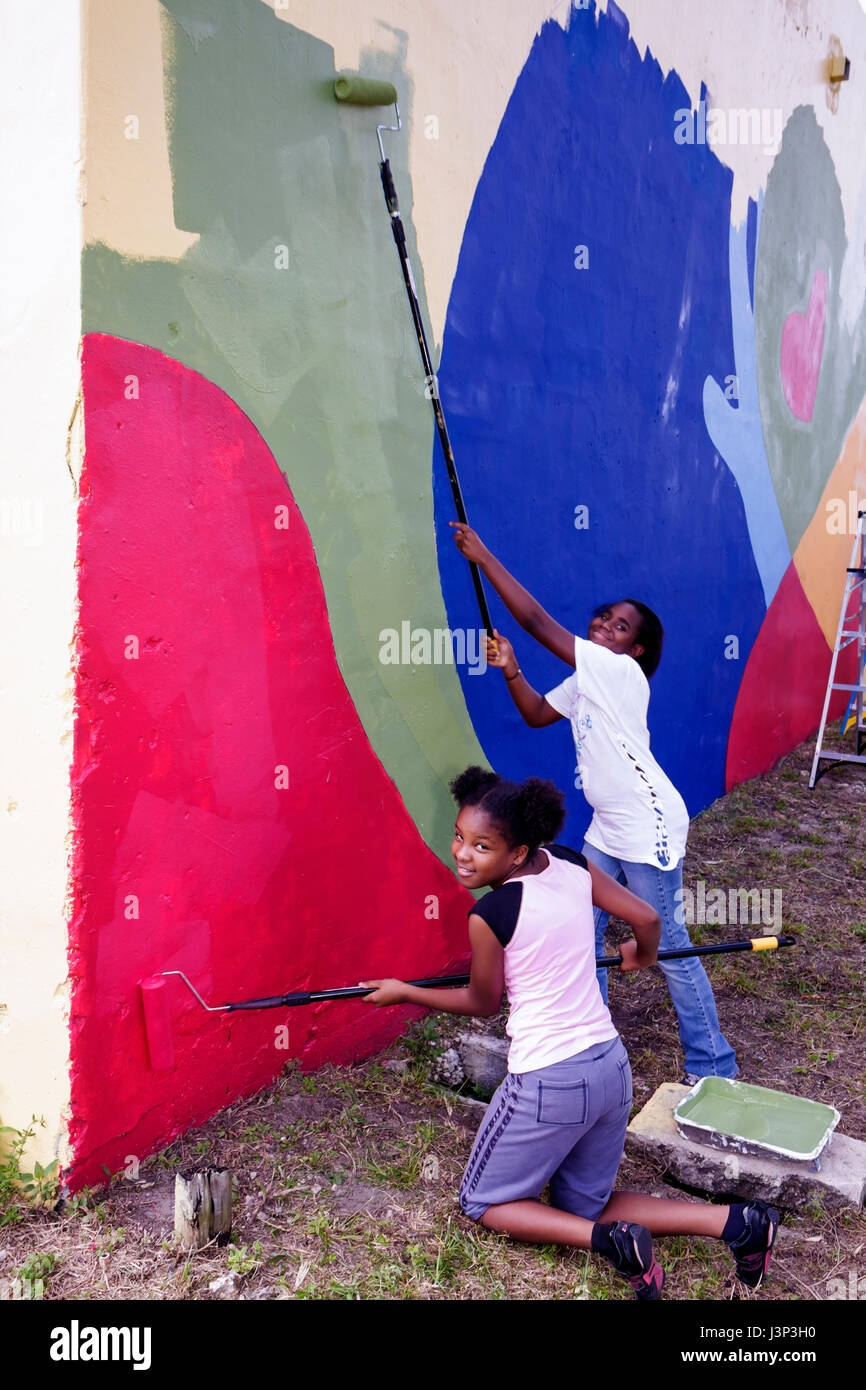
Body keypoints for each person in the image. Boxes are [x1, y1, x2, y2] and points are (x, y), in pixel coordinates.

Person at [362, 768, 777, 1299]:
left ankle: (612, 1244)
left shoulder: (489, 914)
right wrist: (640, 956)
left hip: (548, 1079)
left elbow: (482, 1001)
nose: (463, 854)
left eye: (483, 846)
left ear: (516, 853)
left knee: (482, 1202)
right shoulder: (570, 862)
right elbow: (647, 918)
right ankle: (737, 1223)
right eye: (461, 837)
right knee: (581, 1204)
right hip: (609, 1067)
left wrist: (405, 992)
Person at [448, 522, 736, 1084]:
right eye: (602, 617)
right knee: (585, 921)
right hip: (608, 823)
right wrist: (511, 670)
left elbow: (534, 622)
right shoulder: (587, 678)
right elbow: (535, 713)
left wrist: (485, 557)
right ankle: (591, 1042)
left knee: (667, 938)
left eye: (619, 625)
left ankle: (713, 1065)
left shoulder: (619, 671)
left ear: (636, 648)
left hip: (646, 820)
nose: (604, 625)